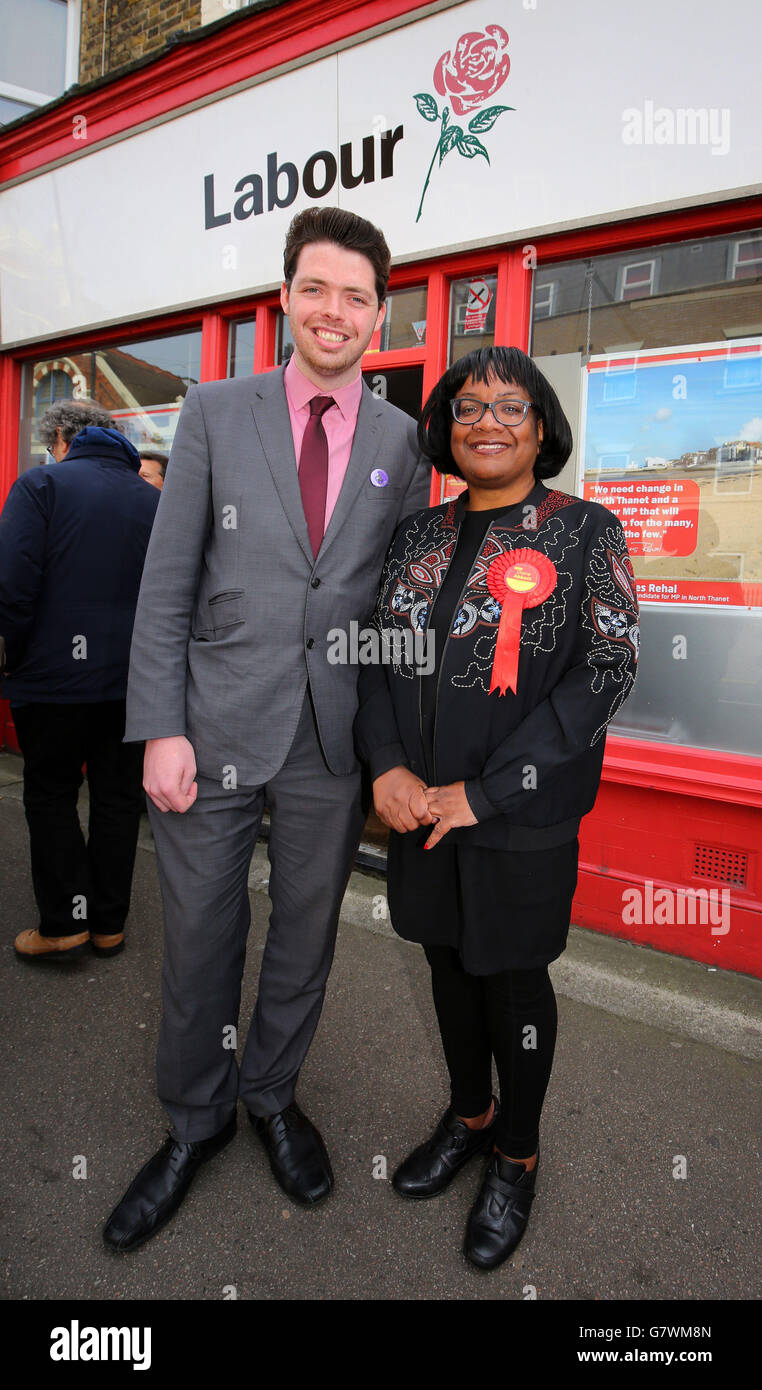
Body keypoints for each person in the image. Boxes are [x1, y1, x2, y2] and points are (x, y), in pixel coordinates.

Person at [102, 206, 430, 1252]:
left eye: (357, 296)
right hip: (209, 726)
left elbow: (395, 602)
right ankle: (194, 1120)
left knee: (304, 938)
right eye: (318, 289)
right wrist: (158, 725)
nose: (336, 312)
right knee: (200, 937)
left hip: (330, 741)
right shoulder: (212, 409)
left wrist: (399, 749)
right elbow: (165, 584)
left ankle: (272, 1096)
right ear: (285, 297)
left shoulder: (401, 439)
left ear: (380, 313)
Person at [355, 346, 639, 1270]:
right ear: (444, 430)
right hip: (418, 810)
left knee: (513, 981)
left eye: (510, 407)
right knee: (445, 962)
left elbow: (608, 668)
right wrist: (387, 767)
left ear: (543, 427)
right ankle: (469, 1115)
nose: (486, 422)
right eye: (468, 407)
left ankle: (516, 1154)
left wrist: (484, 793)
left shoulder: (586, 531)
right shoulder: (416, 536)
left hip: (521, 814)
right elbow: (377, 656)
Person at [0, 400, 160, 961]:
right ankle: (107, 926)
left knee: (51, 796)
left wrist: (14, 659)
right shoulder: (153, 500)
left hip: (52, 682)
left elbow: (13, 588)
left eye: (52, 445)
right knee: (118, 801)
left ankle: (65, 922)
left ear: (64, 437)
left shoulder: (41, 486)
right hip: (132, 685)